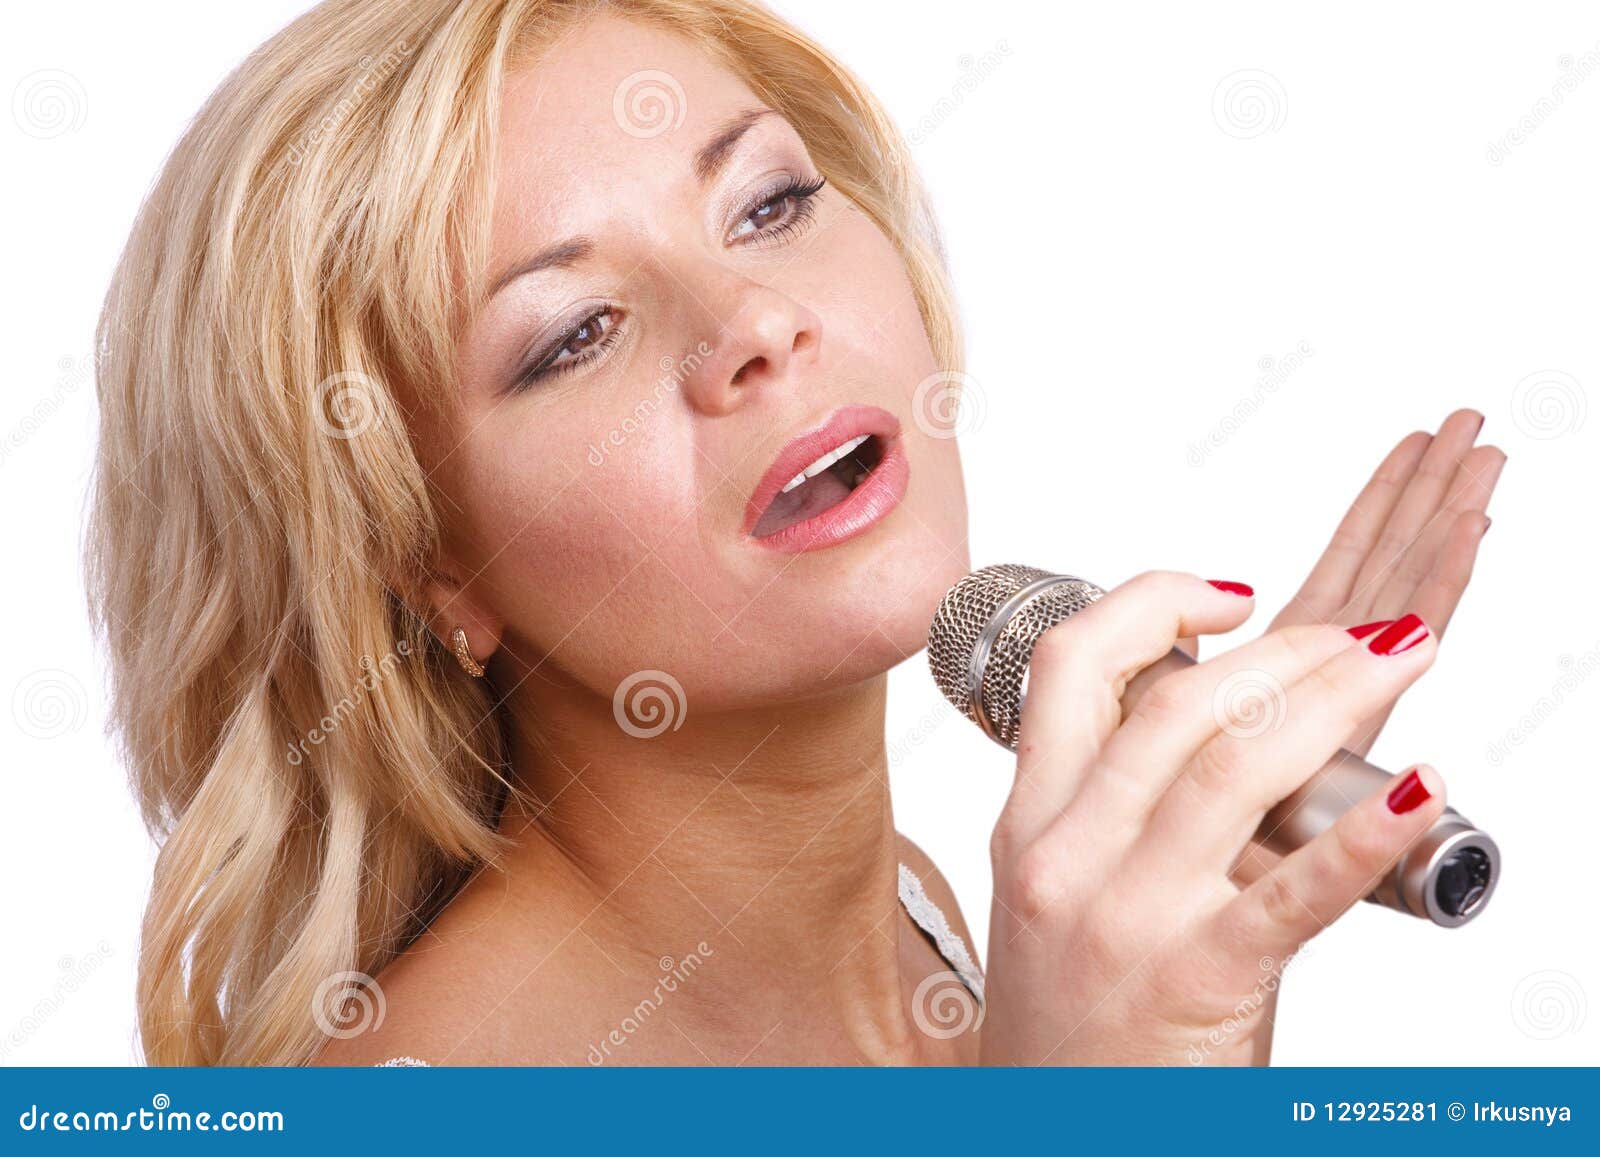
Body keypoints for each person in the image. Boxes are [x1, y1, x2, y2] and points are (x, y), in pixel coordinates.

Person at [86, 0, 1503, 1066]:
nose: (756, 325)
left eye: (768, 202)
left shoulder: (917, 910)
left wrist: (1202, 989)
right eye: (575, 333)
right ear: (430, 568)